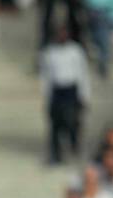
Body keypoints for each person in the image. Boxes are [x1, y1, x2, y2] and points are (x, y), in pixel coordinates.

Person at [39, 24, 91, 164]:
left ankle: (74, 145)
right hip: (57, 90)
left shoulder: (76, 51)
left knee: (72, 120)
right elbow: (46, 77)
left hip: (71, 90)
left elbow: (82, 74)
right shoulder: (49, 52)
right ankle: (55, 154)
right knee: (55, 123)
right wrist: (47, 97)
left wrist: (84, 95)